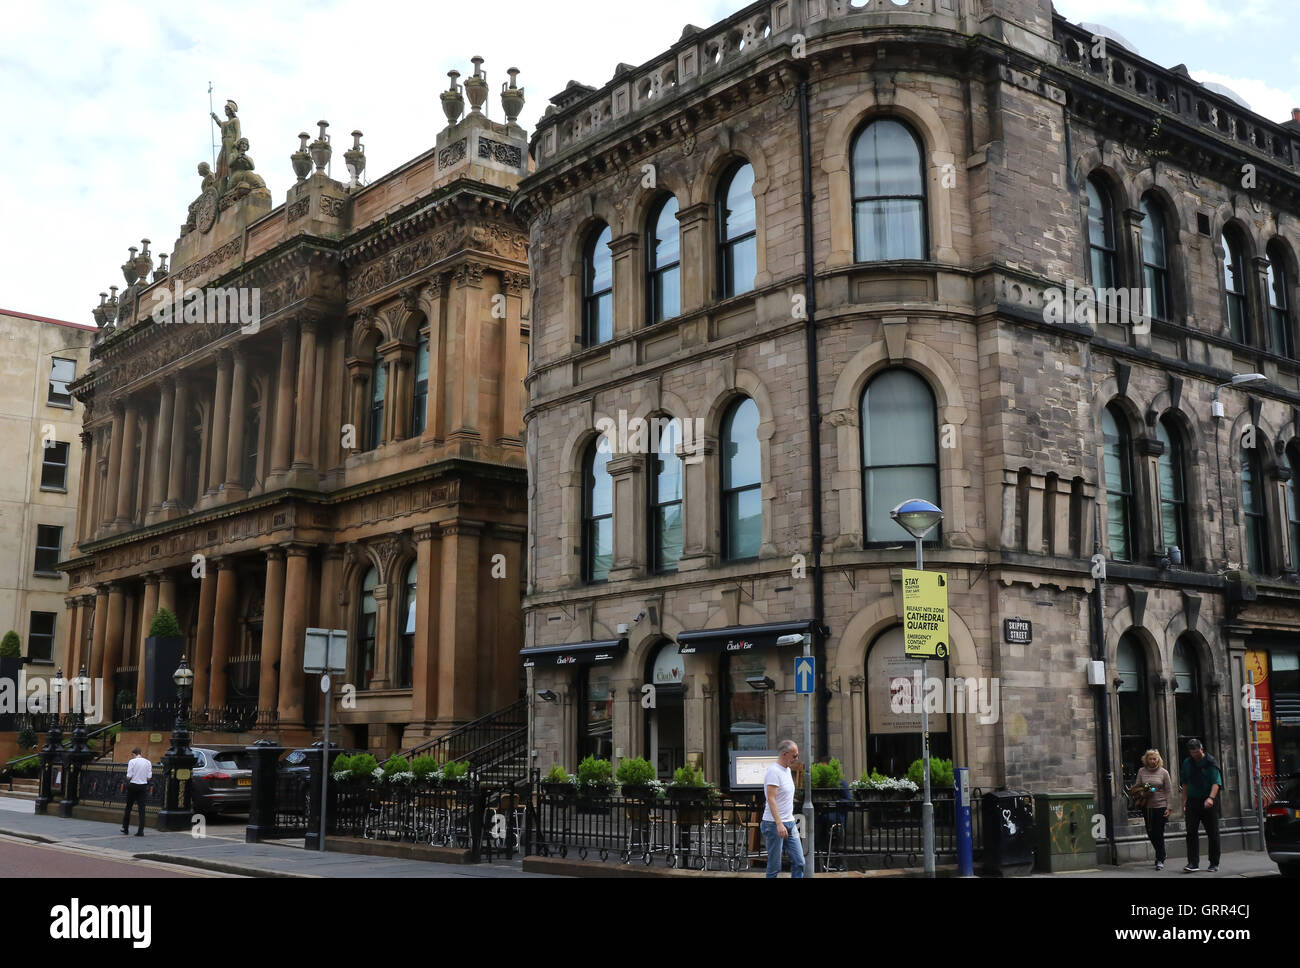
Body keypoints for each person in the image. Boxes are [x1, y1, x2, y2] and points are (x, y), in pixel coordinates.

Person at [762, 739, 805, 878]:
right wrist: (779, 824)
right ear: (784, 754)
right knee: (774, 866)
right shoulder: (774, 771)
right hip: (774, 824)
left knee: (799, 861)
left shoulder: (787, 770)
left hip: (790, 822)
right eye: (794, 756)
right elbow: (771, 799)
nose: (796, 759)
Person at [1180, 738, 1222, 872]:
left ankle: (1214, 862)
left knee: (1212, 832)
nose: (1194, 755)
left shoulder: (1210, 762)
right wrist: (1184, 801)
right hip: (1192, 801)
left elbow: (1216, 783)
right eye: (1192, 752)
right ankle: (1193, 863)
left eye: (1196, 752)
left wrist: (1211, 798)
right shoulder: (1187, 763)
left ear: (1202, 749)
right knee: (1191, 832)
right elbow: (1185, 783)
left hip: (1208, 800)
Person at [1134, 749, 1173, 870]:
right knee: (1150, 832)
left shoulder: (1164, 772)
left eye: (1155, 759)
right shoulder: (1141, 771)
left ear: (1158, 759)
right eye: (1150, 759)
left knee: (1158, 832)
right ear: (1146, 760)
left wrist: (1169, 807)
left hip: (1161, 806)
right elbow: (1137, 786)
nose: (1152, 761)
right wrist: (1143, 791)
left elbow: (1169, 791)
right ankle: (1162, 852)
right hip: (1147, 806)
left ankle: (1160, 858)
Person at [122, 748, 152, 836]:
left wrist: (130, 778)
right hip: (143, 786)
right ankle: (140, 831)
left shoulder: (132, 761)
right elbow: (149, 777)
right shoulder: (148, 762)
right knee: (142, 809)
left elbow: (129, 776)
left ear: (133, 754)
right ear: (140, 753)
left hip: (133, 785)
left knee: (128, 807)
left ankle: (125, 828)